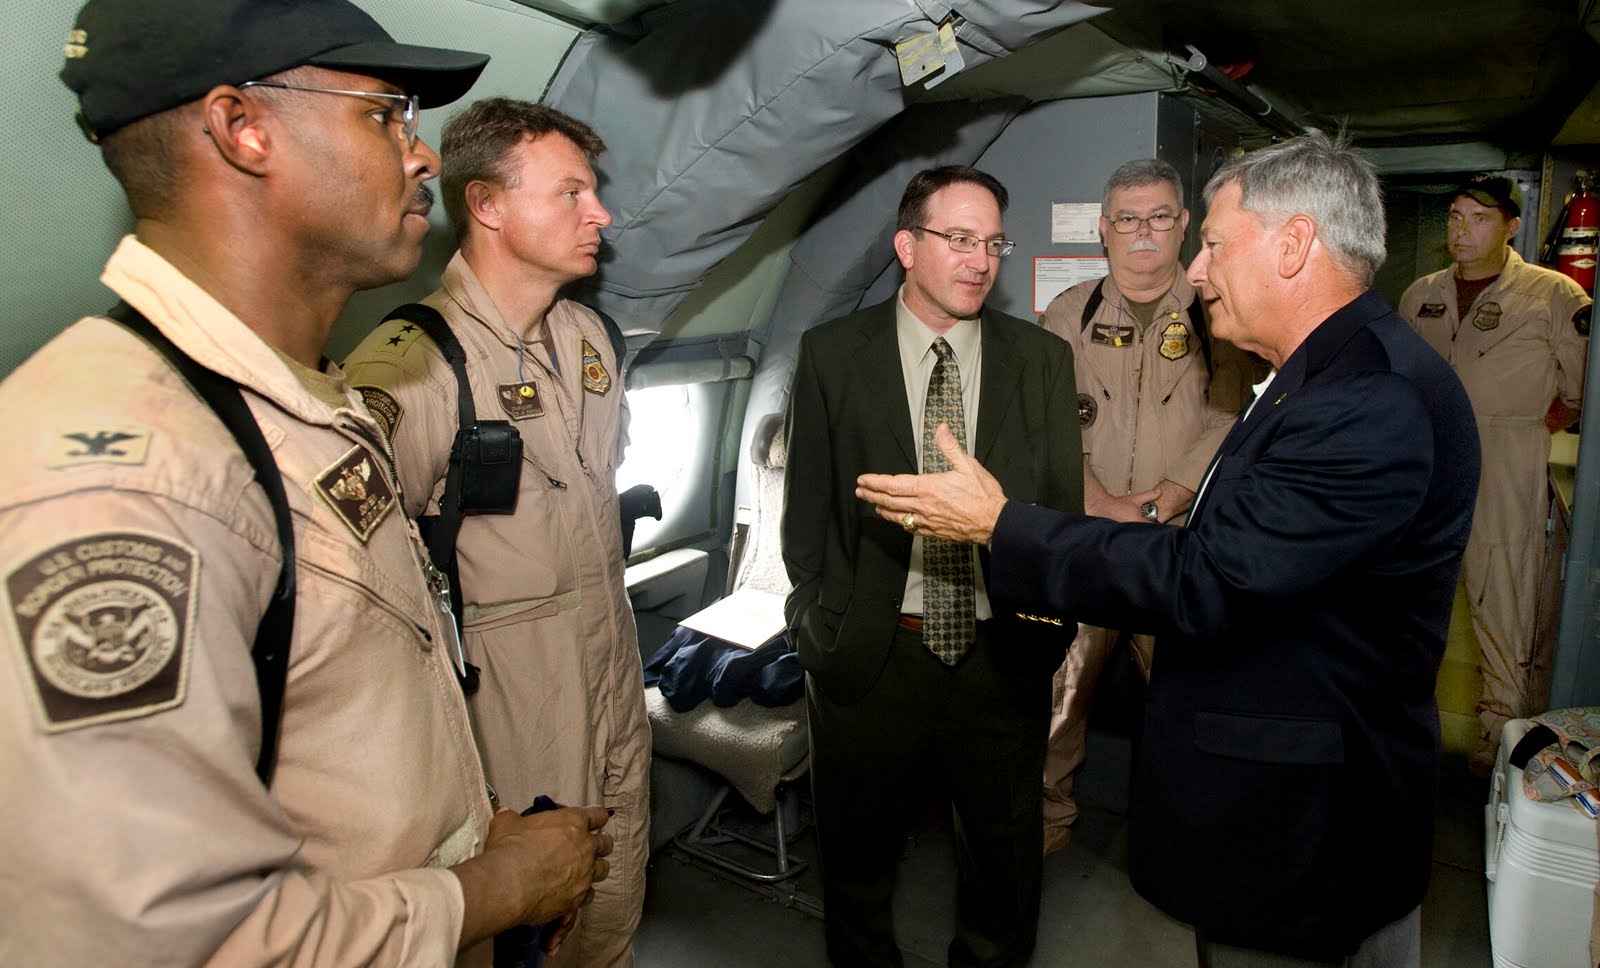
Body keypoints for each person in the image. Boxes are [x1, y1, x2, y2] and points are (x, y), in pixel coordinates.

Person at [0, 2, 612, 964]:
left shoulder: (298, 405)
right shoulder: (131, 483)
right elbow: (166, 942)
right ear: (243, 129)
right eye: (384, 115)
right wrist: (486, 892)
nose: (422, 157)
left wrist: (467, 830)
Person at [856, 131, 1480, 966]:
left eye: (1213, 242)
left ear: (1293, 246)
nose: (1195, 266)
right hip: (1289, 810)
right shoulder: (1330, 373)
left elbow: (1212, 574)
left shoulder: (1366, 401)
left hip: (1305, 842)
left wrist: (999, 526)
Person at [342, 97, 647, 966]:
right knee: (522, 940)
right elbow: (362, 593)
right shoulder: (412, 366)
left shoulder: (590, 338)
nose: (602, 215)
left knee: (612, 904)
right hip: (509, 714)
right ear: (487, 205)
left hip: (613, 679)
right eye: (572, 193)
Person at [783, 165, 1082, 967]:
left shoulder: (1043, 361)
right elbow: (806, 516)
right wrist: (816, 628)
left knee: (1004, 866)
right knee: (856, 864)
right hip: (870, 656)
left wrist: (1045, 640)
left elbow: (1059, 517)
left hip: (1000, 655)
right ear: (907, 247)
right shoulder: (832, 355)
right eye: (959, 239)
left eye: (992, 242)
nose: (980, 260)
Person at [1036, 158, 1263, 854]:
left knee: (1184, 695)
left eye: (1160, 217)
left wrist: (1167, 500)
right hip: (1088, 538)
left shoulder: (1215, 311)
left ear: (1184, 224)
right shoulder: (1068, 313)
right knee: (1059, 694)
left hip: (1177, 546)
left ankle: (1179, 834)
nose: (1144, 232)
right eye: (1127, 219)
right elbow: (1046, 418)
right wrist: (1099, 501)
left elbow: (1232, 414)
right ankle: (1046, 822)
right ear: (1104, 230)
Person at [1398, 174, 1592, 771]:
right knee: (1410, 592)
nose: (1462, 230)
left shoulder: (1553, 293)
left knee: (1504, 590)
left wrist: (1559, 411)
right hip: (1428, 455)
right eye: (1455, 217)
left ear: (1510, 225)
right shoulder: (1421, 293)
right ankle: (1400, 722)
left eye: (1478, 218)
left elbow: (1584, 379)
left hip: (1506, 449)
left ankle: (1500, 734)